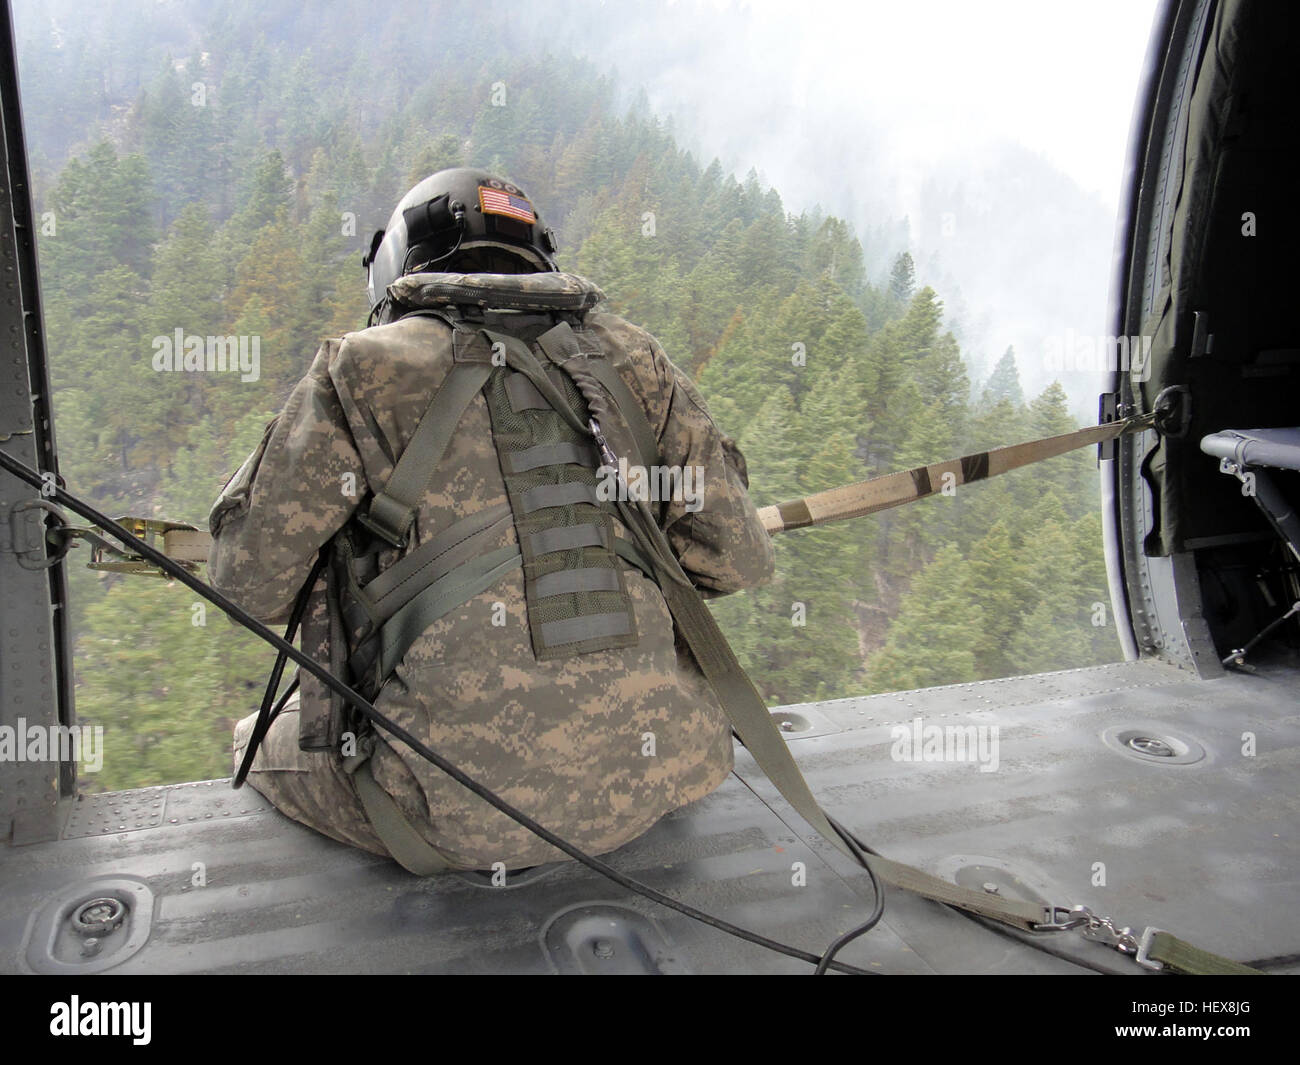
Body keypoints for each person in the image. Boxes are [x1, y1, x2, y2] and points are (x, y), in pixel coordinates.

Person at [208, 167, 774, 873]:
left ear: (398, 265)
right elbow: (736, 559)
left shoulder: (359, 369)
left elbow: (247, 586)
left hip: (441, 811)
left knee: (254, 739)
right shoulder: (636, 357)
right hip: (664, 775)